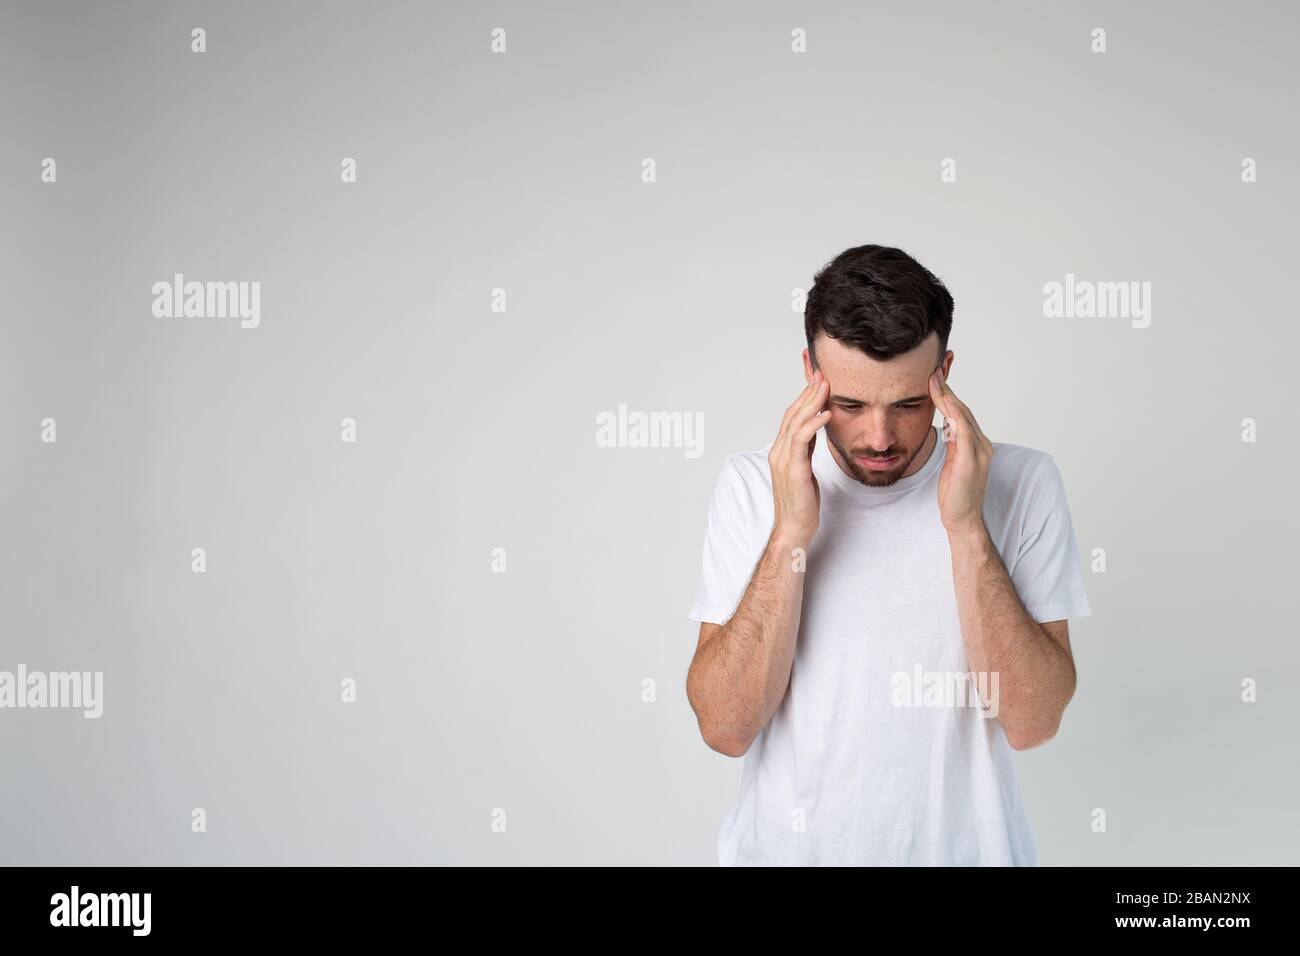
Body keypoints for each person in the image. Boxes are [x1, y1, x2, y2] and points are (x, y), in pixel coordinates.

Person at [685, 244, 1092, 866]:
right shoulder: (751, 485)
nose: (879, 437)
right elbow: (725, 728)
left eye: (908, 405)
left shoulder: (1021, 482)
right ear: (810, 374)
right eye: (849, 405)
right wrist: (792, 532)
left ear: (945, 373)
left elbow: (1033, 721)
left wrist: (966, 529)